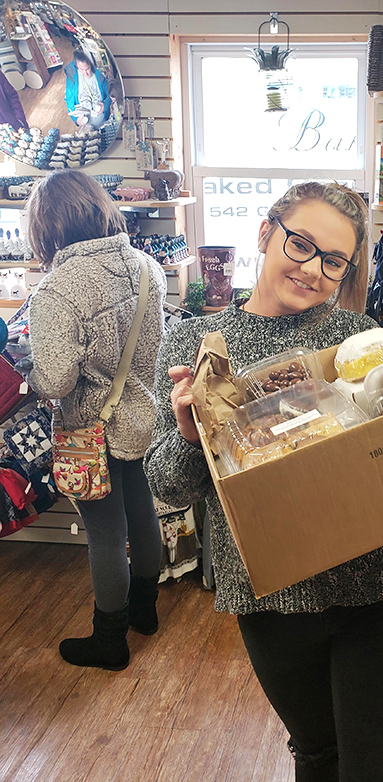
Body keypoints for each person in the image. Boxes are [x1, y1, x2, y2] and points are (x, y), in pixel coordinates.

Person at [144, 181, 383, 781]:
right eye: (301, 245)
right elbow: (168, 487)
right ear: (265, 234)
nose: (313, 270)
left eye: (334, 261)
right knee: (317, 751)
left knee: (376, 769)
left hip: (379, 587)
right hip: (271, 595)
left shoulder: (362, 340)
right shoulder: (195, 344)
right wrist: (189, 436)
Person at [24, 170, 166, 671]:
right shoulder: (147, 265)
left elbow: (58, 380)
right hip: (140, 416)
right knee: (143, 514)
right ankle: (145, 612)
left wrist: (31, 372)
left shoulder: (58, 290)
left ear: (47, 227)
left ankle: (110, 640)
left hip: (92, 430)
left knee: (105, 536)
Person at [64, 49, 110, 130]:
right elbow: (69, 99)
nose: (85, 73)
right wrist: (76, 120)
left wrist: (105, 106)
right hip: (83, 117)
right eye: (81, 70)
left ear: (91, 64)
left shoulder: (100, 74)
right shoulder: (72, 75)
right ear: (76, 66)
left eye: (87, 69)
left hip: (101, 117)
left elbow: (110, 93)